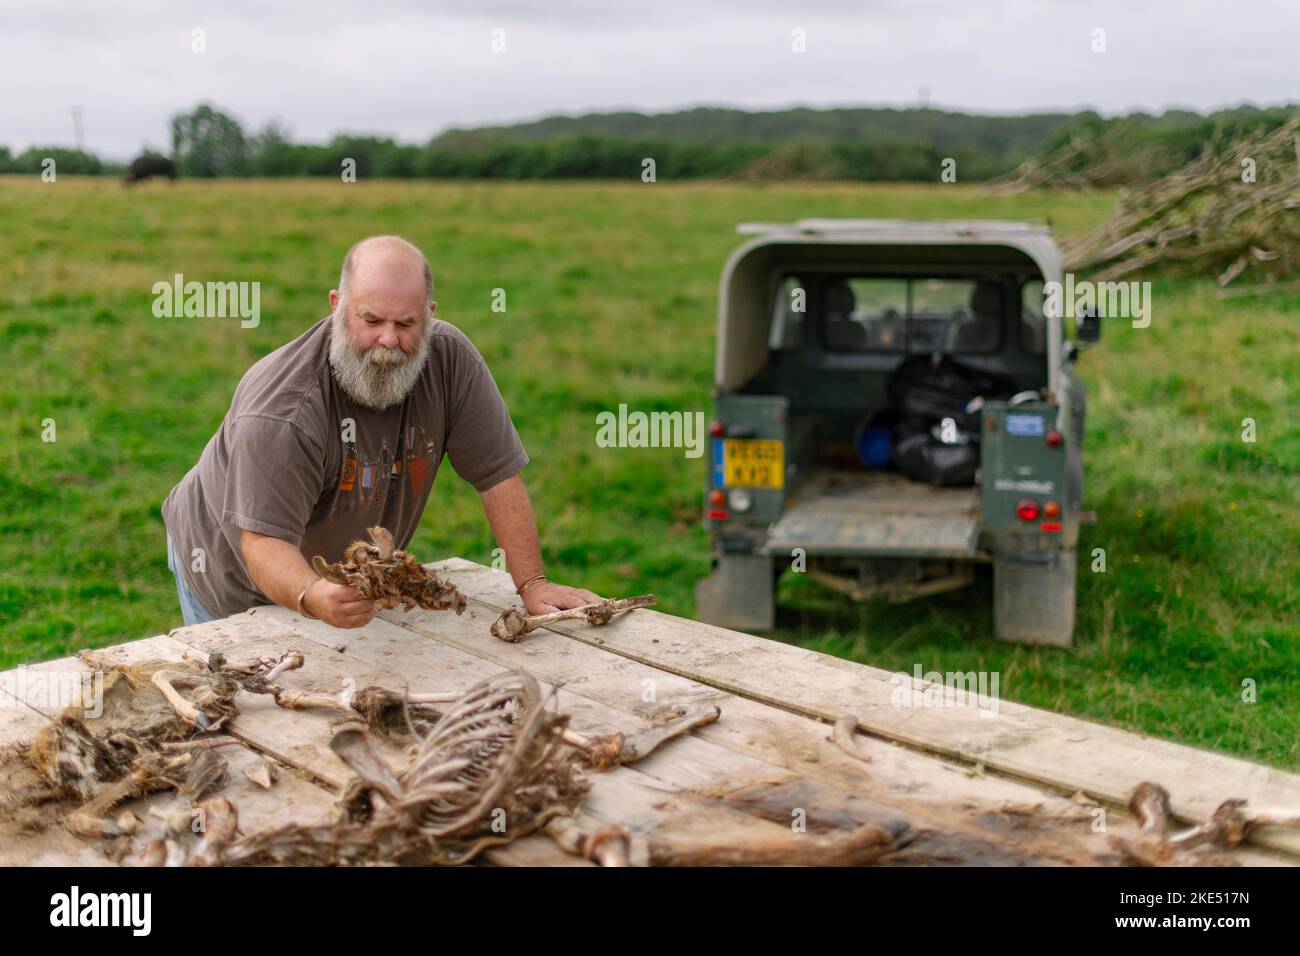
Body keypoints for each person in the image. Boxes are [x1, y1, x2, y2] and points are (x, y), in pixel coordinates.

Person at [161, 234, 599, 628]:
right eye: (371, 321)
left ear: (429, 316)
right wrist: (313, 596)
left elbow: (498, 477)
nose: (388, 340)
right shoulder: (284, 411)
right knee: (243, 700)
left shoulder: (451, 362)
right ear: (336, 306)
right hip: (230, 571)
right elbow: (261, 542)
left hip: (336, 579)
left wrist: (533, 584)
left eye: (406, 325)